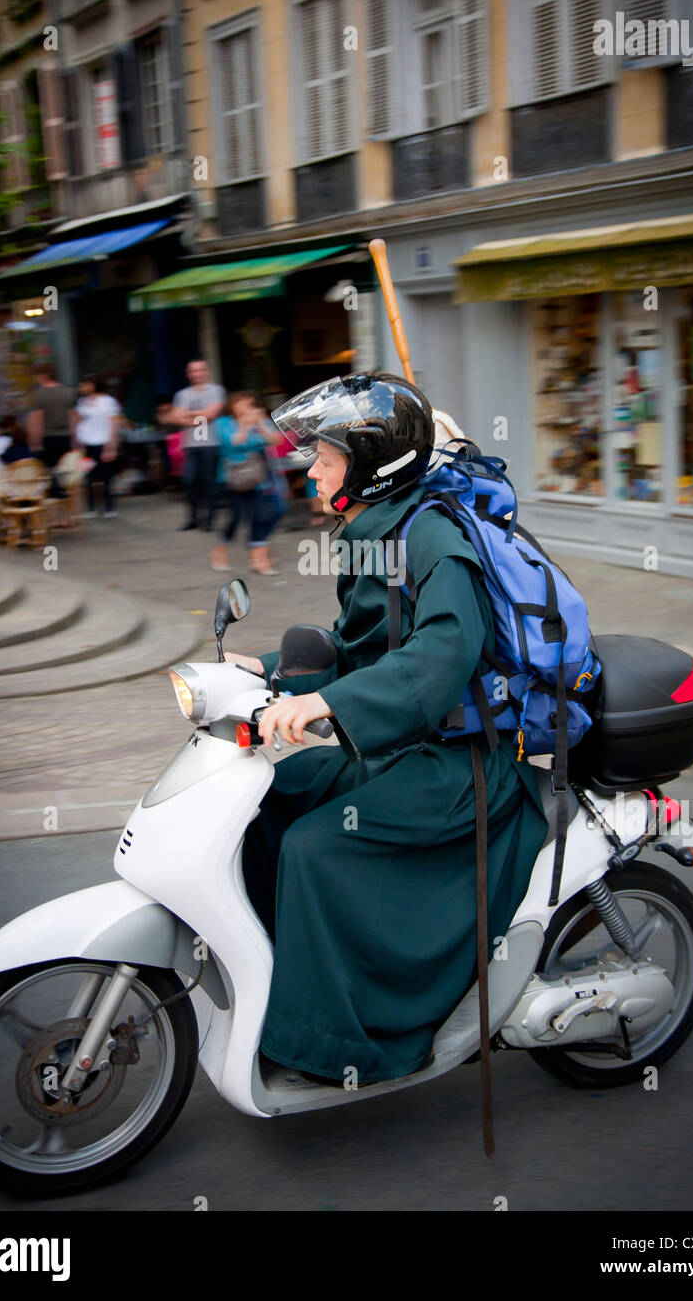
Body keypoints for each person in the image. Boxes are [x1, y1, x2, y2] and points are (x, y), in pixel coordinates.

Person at [226, 373, 549, 1087]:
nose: (310, 469)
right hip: (408, 739)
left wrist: (332, 708)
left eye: (326, 457)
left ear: (371, 466)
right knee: (270, 794)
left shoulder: (432, 536)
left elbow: (442, 655)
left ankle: (341, 1041)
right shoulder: (378, 530)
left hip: (465, 760)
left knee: (317, 846)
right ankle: (294, 977)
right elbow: (358, 646)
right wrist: (270, 671)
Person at [212, 391, 284, 575]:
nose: (246, 407)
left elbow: (275, 440)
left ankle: (258, 561)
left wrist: (260, 425)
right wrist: (245, 427)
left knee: (259, 516)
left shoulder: (257, 420)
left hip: (257, 477)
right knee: (235, 519)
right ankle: (219, 551)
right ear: (233, 406)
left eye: (249, 403)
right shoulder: (222, 423)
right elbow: (235, 442)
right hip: (234, 479)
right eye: (241, 403)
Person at [166, 359, 226, 531]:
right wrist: (199, 415)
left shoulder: (216, 390)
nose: (196, 374)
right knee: (189, 480)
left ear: (206, 372)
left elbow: (211, 414)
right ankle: (193, 517)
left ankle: (209, 519)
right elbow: (175, 418)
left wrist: (188, 415)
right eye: (192, 371)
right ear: (188, 374)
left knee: (209, 483)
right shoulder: (182, 395)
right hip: (190, 445)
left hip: (211, 443)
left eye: (199, 370)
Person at [74, 376, 121, 518]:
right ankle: (91, 508)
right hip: (87, 445)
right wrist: (78, 443)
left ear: (93, 385)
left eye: (84, 385)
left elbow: (114, 423)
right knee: (88, 477)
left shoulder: (108, 402)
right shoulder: (82, 402)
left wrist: (111, 446)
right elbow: (78, 422)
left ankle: (109, 507)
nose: (81, 389)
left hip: (103, 444)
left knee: (106, 477)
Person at [26, 369, 77, 491]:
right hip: (65, 436)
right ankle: (66, 493)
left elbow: (37, 419)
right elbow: (73, 417)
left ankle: (55, 495)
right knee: (65, 468)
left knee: (49, 471)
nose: (36, 379)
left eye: (37, 375)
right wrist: (74, 437)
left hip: (48, 437)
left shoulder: (39, 394)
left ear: (46, 375)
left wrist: (35, 440)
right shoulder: (68, 392)